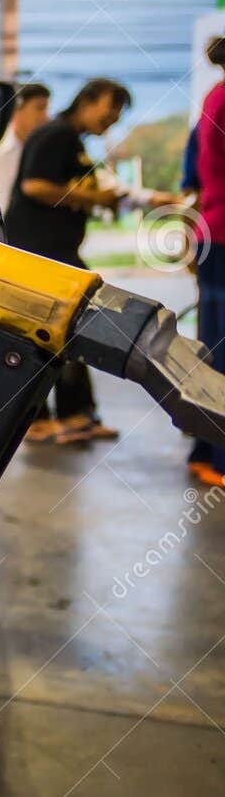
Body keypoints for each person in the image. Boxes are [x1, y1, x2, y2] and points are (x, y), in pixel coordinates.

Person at [5, 79, 140, 444]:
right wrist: (92, 198)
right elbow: (34, 186)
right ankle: (35, 419)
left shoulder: (72, 140)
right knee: (45, 334)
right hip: (40, 252)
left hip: (58, 252)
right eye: (110, 109)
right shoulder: (56, 134)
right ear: (87, 100)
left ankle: (75, 414)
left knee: (71, 332)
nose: (113, 119)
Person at [188, 37, 225, 484]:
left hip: (213, 232)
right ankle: (220, 459)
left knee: (213, 348)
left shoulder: (214, 97)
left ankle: (205, 450)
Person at [0, 82, 51, 206]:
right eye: (40, 108)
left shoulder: (44, 153)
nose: (46, 117)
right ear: (16, 110)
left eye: (47, 110)